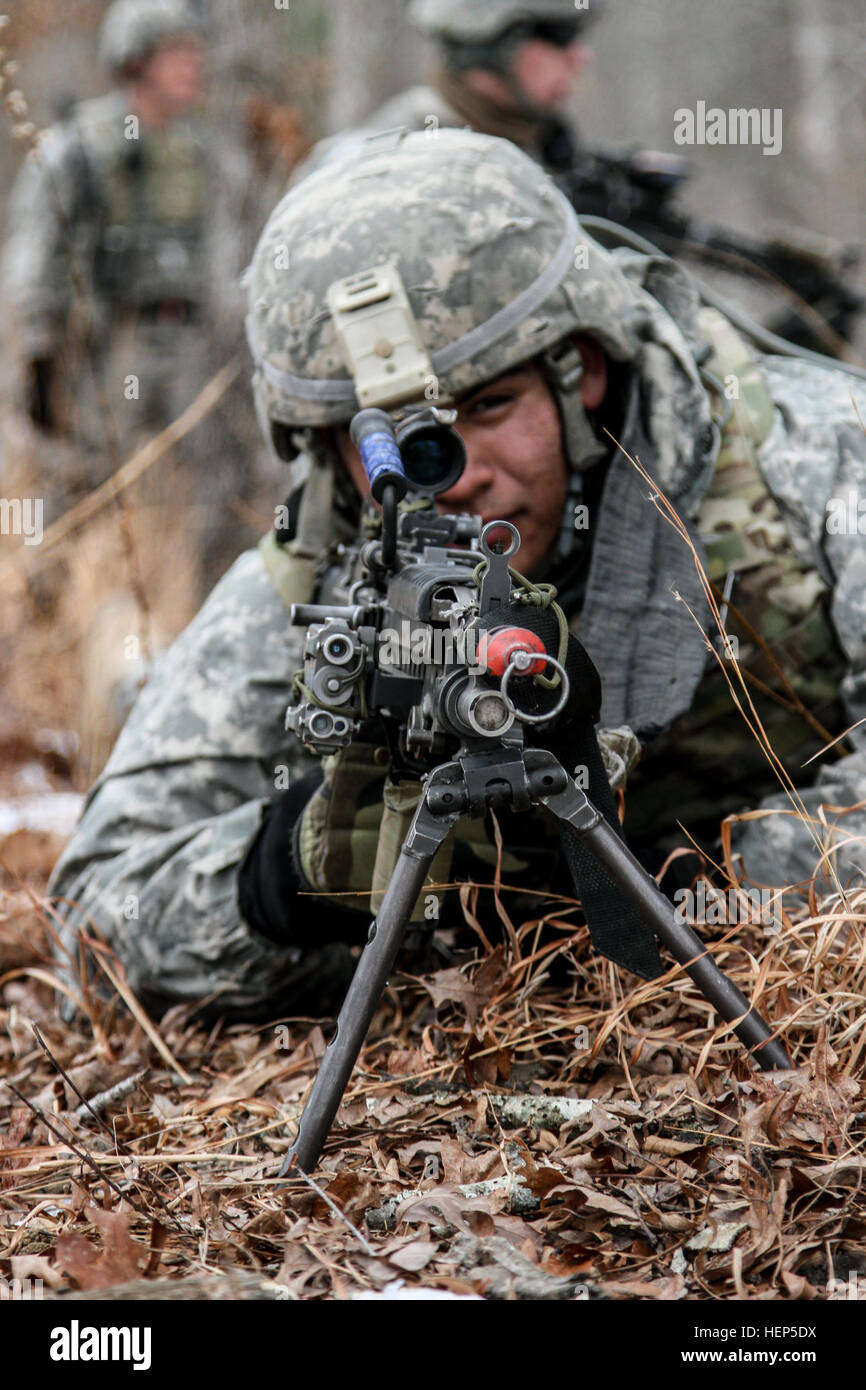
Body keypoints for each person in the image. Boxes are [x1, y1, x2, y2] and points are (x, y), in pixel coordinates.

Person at [49, 129, 866, 1023]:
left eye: (488, 406)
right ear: (333, 449)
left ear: (582, 371)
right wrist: (284, 879)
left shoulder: (814, 456)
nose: (458, 471)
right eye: (398, 444)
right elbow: (93, 923)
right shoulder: (319, 570)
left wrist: (703, 887)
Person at [295, 0, 596, 184]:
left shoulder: (555, 151)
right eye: (559, 36)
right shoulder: (376, 165)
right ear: (492, 46)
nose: (580, 56)